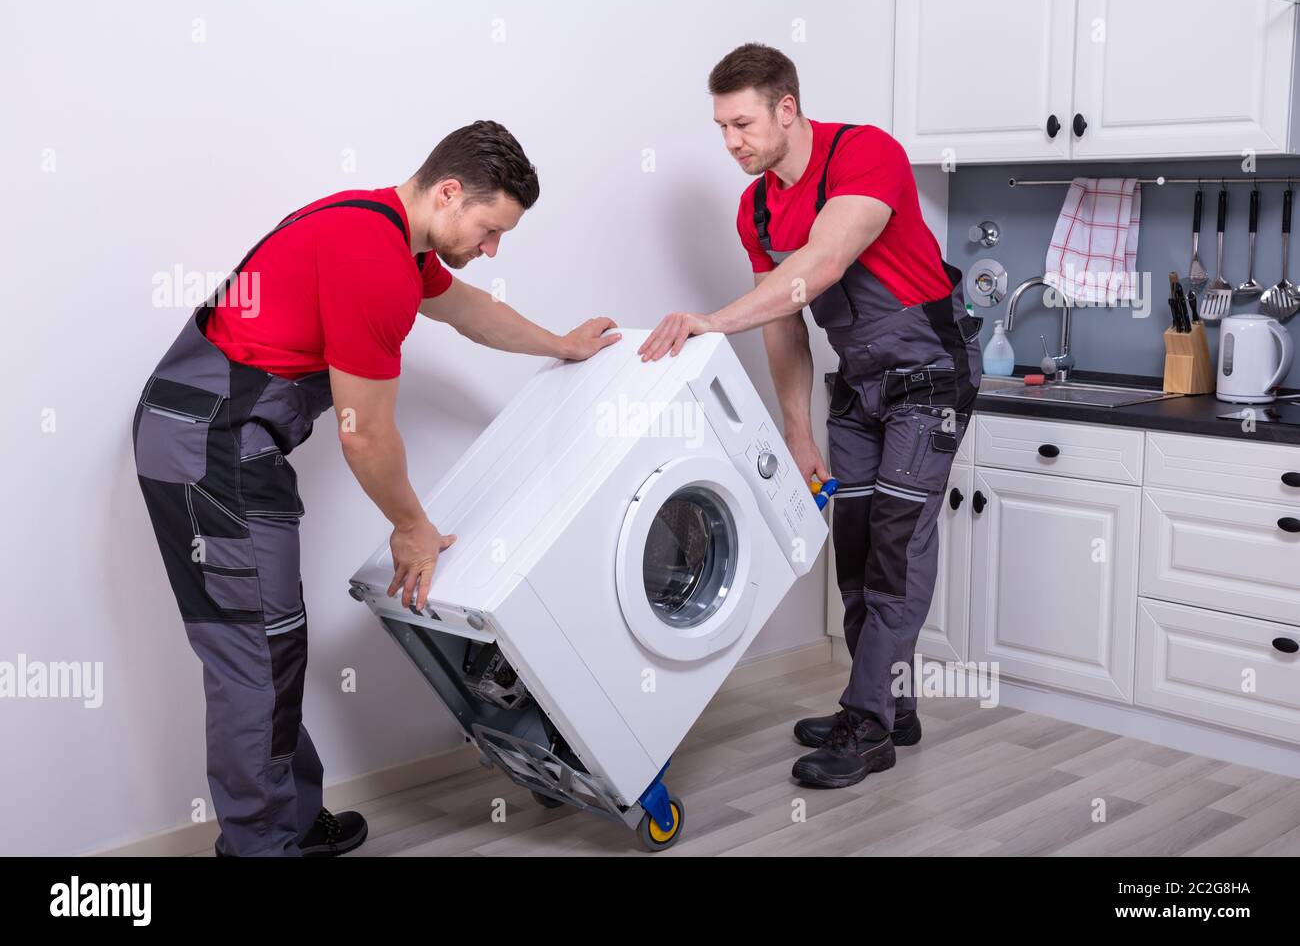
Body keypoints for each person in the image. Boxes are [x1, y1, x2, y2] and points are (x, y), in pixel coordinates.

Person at [132, 120, 620, 855]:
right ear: (450, 192)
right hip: (212, 445)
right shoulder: (375, 263)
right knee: (256, 651)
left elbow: (471, 313)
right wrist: (412, 527)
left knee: (269, 642)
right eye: (490, 230)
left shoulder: (384, 226)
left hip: (214, 432)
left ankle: (286, 821)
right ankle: (261, 846)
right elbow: (363, 431)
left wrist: (561, 344)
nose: (492, 250)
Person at [639, 44, 983, 789]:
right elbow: (786, 323)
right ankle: (889, 705)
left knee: (896, 547)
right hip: (859, 388)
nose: (731, 142)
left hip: (927, 379)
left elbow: (820, 267)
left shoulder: (866, 153)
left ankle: (867, 729)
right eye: (721, 127)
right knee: (854, 547)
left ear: (786, 109)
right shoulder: (757, 205)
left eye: (742, 123)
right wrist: (795, 431)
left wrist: (709, 321)